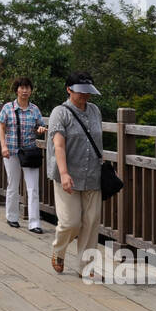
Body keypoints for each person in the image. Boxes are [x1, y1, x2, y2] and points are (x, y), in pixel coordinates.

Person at [49, 71, 104, 273]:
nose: (84, 95)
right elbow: (59, 146)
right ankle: (59, 250)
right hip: (68, 175)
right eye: (80, 91)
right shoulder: (60, 112)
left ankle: (86, 267)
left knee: (91, 223)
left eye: (87, 91)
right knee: (71, 222)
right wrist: (64, 173)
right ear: (69, 89)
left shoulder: (95, 110)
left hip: (93, 175)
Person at [0, 77, 48, 233]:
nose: (25, 91)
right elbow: (1, 128)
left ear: (31, 90)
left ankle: (34, 223)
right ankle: (12, 217)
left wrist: (40, 129)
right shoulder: (8, 108)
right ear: (17, 90)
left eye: (28, 88)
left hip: (30, 151)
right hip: (11, 151)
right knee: (13, 184)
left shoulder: (34, 109)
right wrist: (3, 146)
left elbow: (41, 125)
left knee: (33, 187)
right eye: (22, 88)